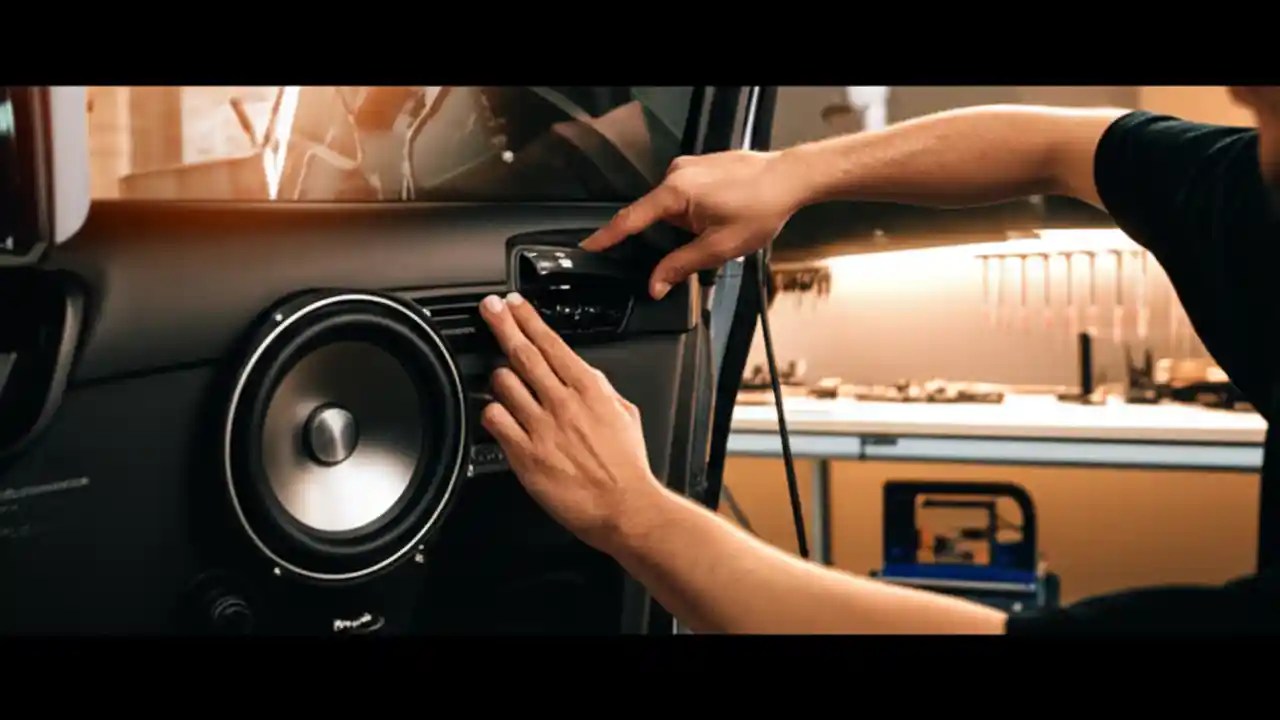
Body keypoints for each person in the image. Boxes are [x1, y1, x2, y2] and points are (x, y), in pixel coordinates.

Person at [474, 87, 1280, 634]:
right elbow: (1063, 147)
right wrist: (793, 172)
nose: (1240, 97)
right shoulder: (1259, 197)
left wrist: (638, 519)